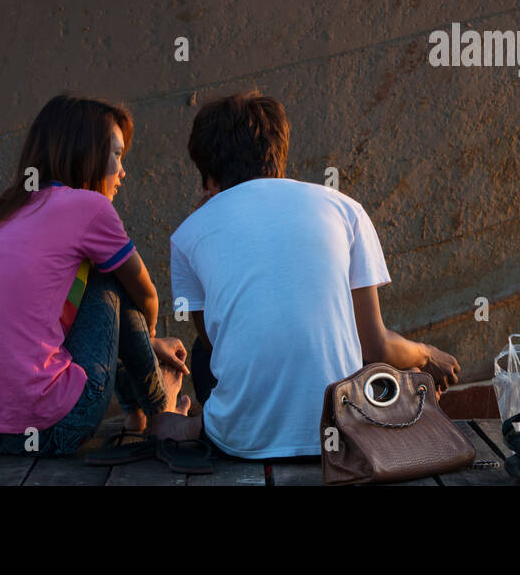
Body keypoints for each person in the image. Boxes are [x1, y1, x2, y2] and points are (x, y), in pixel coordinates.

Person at [171, 90, 461, 460]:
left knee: (202, 352)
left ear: (208, 177)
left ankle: (200, 423)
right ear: (279, 156)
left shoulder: (188, 233)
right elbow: (375, 345)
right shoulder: (344, 208)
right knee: (353, 340)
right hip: (344, 433)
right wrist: (425, 354)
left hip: (239, 443)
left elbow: (214, 340)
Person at [0, 94, 190, 457]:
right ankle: (161, 412)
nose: (122, 171)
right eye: (116, 155)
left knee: (93, 270)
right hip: (56, 429)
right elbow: (146, 294)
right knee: (111, 276)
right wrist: (150, 337)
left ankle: (134, 416)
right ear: (86, 153)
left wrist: (138, 344)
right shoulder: (88, 208)